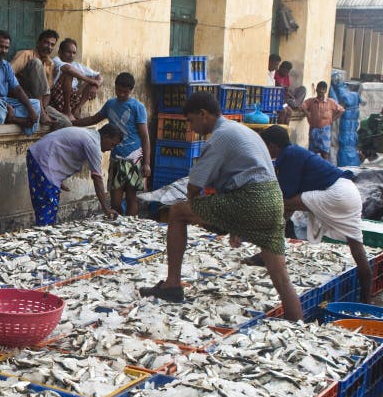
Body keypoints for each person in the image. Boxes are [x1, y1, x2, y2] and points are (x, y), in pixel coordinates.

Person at [137, 92, 303, 322]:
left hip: (251, 199)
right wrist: (233, 224)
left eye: (191, 120)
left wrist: (195, 210)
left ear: (203, 114)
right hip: (273, 201)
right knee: (281, 277)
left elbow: (195, 185)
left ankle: (172, 284)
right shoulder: (242, 130)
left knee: (177, 212)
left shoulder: (219, 137)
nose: (192, 127)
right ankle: (297, 324)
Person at [260, 125, 371, 303]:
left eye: (264, 146)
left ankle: (268, 247)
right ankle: (366, 299)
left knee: (284, 203)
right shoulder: (293, 152)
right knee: (356, 246)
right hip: (349, 191)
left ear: (272, 145)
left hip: (336, 194)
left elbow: (286, 193)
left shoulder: (288, 155)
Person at [74, 72, 151, 216]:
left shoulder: (138, 107)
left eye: (125, 92)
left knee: (131, 197)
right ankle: (116, 229)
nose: (121, 94)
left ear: (131, 90)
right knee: (115, 199)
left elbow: (145, 137)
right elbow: (94, 119)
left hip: (134, 158)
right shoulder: (110, 104)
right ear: (115, 87)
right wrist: (73, 123)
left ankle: (131, 228)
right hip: (116, 158)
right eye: (119, 90)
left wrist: (146, 163)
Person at [25, 124, 123, 225]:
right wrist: (106, 208)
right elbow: (97, 178)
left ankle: (45, 230)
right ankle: (44, 234)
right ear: (106, 136)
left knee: (48, 202)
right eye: (112, 144)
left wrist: (57, 179)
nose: (111, 148)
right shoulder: (93, 143)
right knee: (47, 203)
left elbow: (62, 151)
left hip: (39, 156)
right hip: (42, 160)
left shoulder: (90, 135)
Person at [0, 30, 41, 135]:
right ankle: (14, 119)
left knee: (35, 104)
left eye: (6, 48)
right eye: (0, 46)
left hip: (4, 102)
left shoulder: (6, 65)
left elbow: (17, 89)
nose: (4, 51)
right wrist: (7, 105)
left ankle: (13, 119)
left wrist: (31, 109)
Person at [10, 29, 71, 129]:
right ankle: (41, 114)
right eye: (46, 43)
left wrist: (43, 107)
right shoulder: (26, 54)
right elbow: (8, 74)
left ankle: (50, 142)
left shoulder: (50, 63)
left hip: (41, 103)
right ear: (38, 43)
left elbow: (47, 91)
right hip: (23, 97)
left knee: (66, 123)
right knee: (36, 63)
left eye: (52, 45)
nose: (49, 47)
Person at [49, 38, 103, 120]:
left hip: (73, 95)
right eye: (68, 52)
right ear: (60, 52)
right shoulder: (55, 60)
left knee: (91, 78)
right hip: (57, 94)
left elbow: (99, 76)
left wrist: (95, 86)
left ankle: (76, 110)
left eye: (74, 53)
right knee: (68, 74)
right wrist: (91, 81)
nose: (71, 55)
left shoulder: (77, 65)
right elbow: (68, 69)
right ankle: (66, 111)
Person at [302, 81, 345, 160]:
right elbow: (303, 105)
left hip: (325, 130)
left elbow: (341, 110)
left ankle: (325, 170)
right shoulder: (311, 101)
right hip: (313, 130)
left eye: (323, 89)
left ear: (325, 91)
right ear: (316, 90)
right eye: (319, 88)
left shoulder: (330, 102)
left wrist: (333, 119)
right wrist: (307, 113)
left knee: (324, 153)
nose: (321, 91)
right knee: (312, 154)